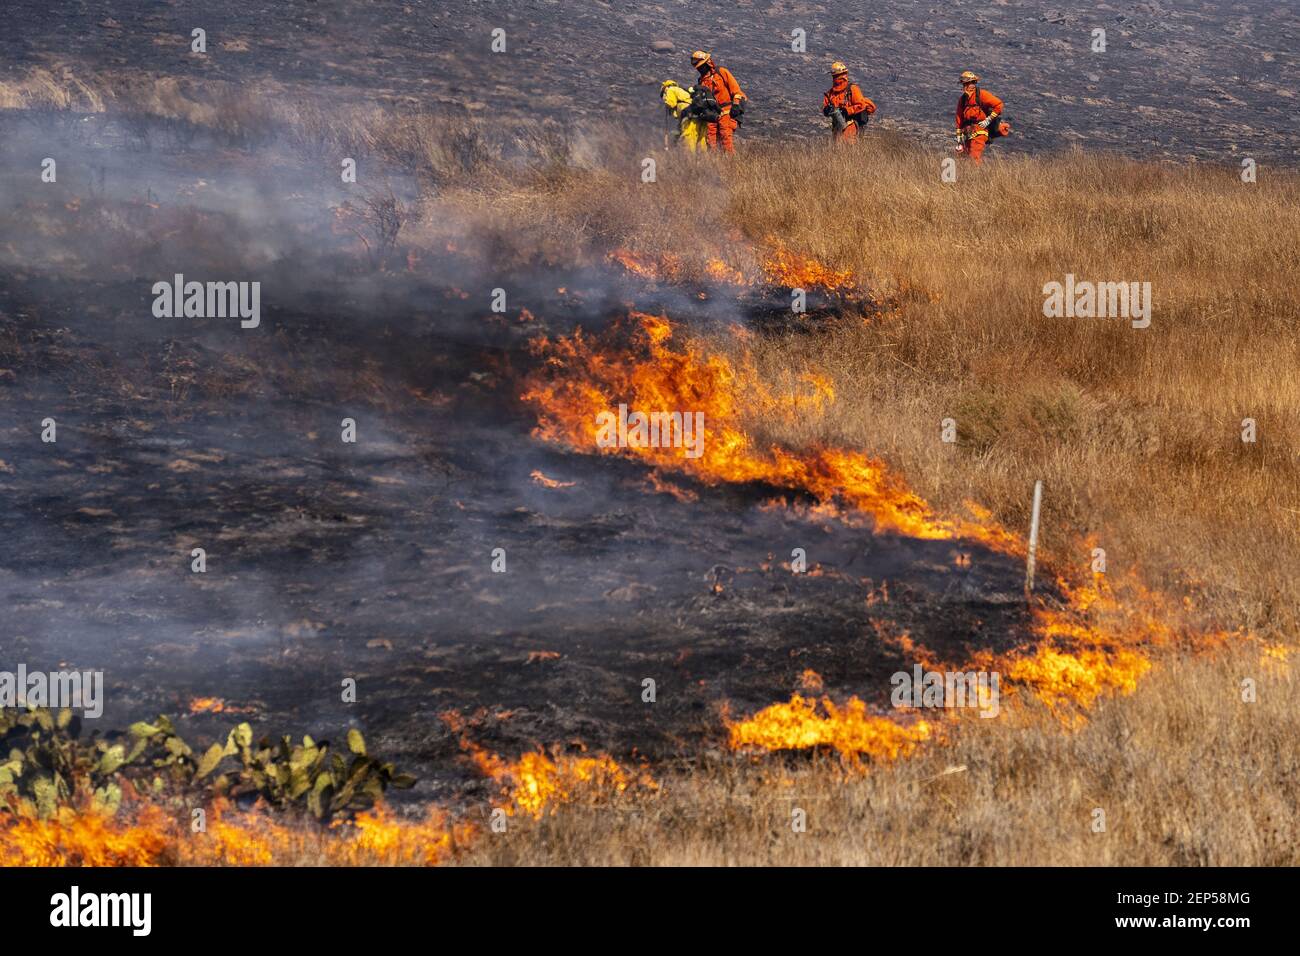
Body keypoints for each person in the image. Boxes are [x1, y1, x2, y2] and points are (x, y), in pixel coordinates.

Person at [690, 50, 746, 153]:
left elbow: (736, 90)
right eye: (698, 67)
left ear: (708, 63)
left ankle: (730, 163)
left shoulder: (721, 72)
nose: (700, 69)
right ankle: (716, 163)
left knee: (725, 137)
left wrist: (736, 105)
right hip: (713, 114)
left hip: (727, 110)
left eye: (702, 66)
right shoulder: (701, 81)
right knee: (711, 141)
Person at [954, 70, 1007, 164]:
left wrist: (988, 120)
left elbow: (999, 105)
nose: (967, 86)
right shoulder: (962, 100)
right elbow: (959, 118)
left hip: (980, 131)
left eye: (970, 83)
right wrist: (958, 137)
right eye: (965, 84)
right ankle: (967, 177)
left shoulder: (982, 94)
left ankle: (974, 177)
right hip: (967, 134)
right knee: (963, 159)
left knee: (974, 158)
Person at [821, 61, 876, 143]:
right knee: (837, 149)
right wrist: (826, 109)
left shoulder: (852, 89)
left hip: (852, 124)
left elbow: (861, 105)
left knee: (846, 147)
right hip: (837, 127)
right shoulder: (830, 93)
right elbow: (825, 107)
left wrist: (847, 111)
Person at [660, 80, 708, 151]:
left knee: (689, 138)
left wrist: (666, 103)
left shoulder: (670, 89)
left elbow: (671, 103)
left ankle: (690, 158)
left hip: (688, 115)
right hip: (699, 114)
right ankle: (704, 158)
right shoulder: (681, 91)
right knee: (700, 138)